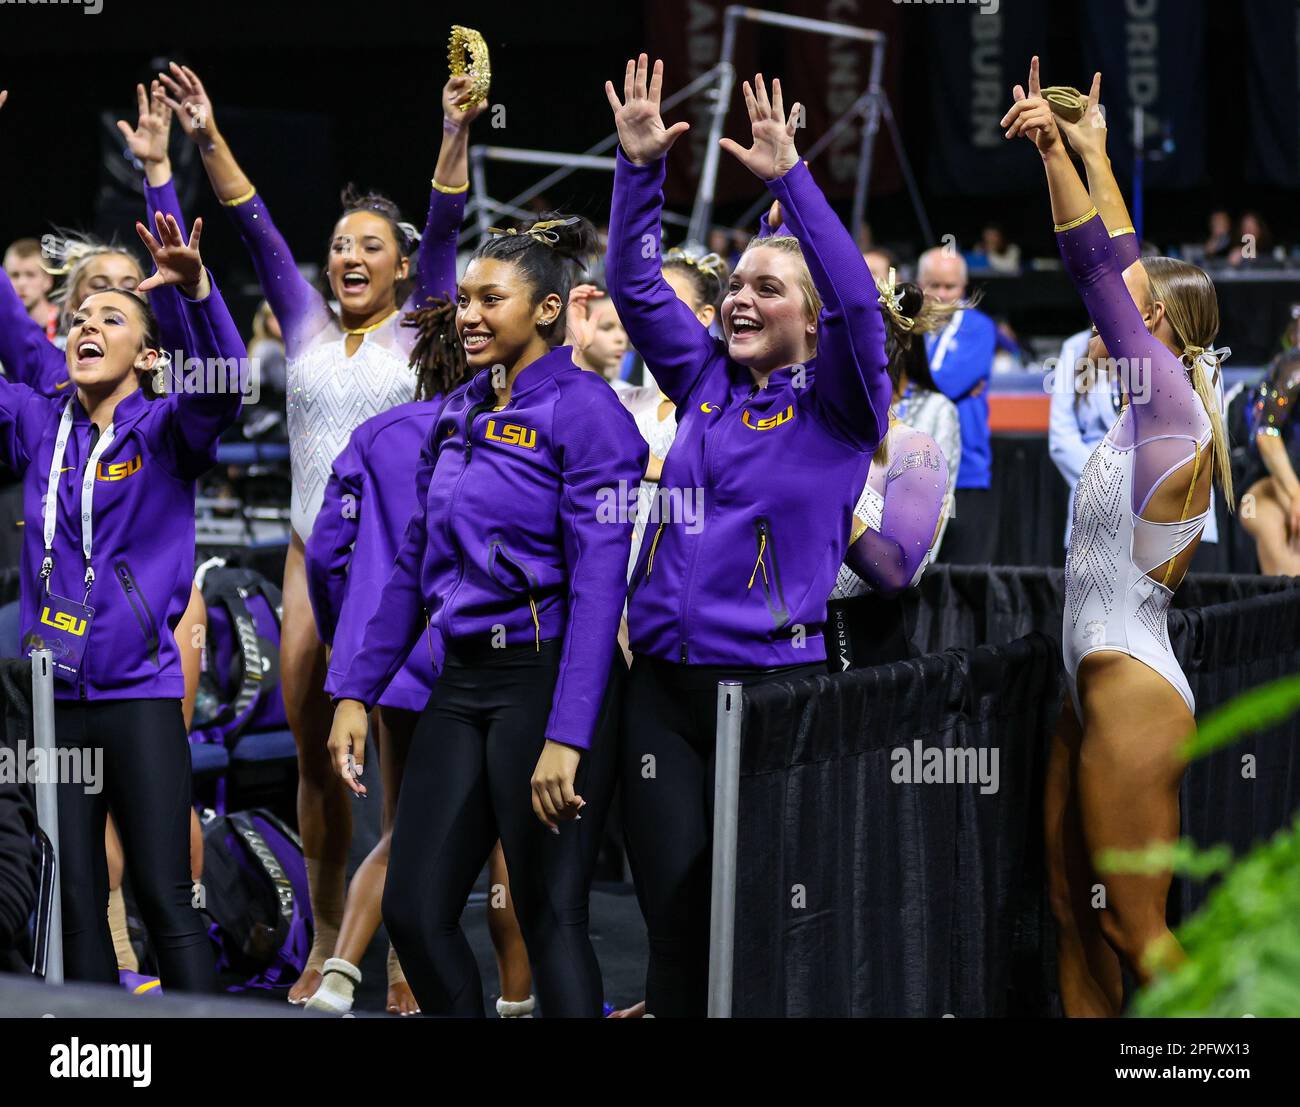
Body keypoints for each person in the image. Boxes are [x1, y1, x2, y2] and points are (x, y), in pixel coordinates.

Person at [156, 61, 482, 1002]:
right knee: (314, 765)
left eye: (369, 244)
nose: (347, 255)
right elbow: (254, 225)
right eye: (340, 242)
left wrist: (455, 130)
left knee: (399, 768)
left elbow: (450, 221)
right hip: (310, 557)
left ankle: (406, 959)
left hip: (400, 569)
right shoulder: (300, 321)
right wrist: (206, 133)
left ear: (401, 264)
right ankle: (326, 942)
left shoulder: (426, 324)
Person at [605, 57, 890, 1016]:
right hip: (662, 692)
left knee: (762, 917)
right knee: (672, 919)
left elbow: (858, 303)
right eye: (733, 281)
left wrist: (790, 183)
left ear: (809, 319)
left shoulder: (843, 406)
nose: (738, 297)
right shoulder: (708, 385)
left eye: (767, 288)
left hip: (768, 690)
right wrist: (638, 170)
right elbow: (635, 288)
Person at [327, 202, 645, 1017]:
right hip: (459, 681)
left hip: (545, 681)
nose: (467, 314)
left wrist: (567, 737)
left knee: (549, 915)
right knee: (414, 911)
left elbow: (600, 586)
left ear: (547, 310)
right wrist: (356, 690)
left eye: (488, 299)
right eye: (464, 297)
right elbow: (409, 569)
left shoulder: (589, 412)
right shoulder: (462, 410)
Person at [1003, 62, 1233, 1016]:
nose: (1114, 306)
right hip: (1086, 687)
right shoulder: (1148, 409)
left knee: (1138, 928)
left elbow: (1100, 267)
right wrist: (1096, 150)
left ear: (1157, 326)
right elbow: (1125, 259)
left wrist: (1055, 155)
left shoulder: (1170, 407)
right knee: (1072, 908)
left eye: (1135, 303)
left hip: (1131, 689)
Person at [0, 203, 245, 991]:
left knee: (166, 899)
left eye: (111, 317)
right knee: (74, 905)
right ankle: (113, 1054)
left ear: (147, 355)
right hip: (52, 702)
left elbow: (227, 380)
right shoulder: (41, 420)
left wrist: (199, 292)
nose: (85, 326)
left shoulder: (170, 430)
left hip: (138, 695)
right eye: (76, 317)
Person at [917, 246, 997, 564]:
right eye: (932, 285)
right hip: (913, 469)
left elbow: (948, 383)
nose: (940, 295)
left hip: (965, 472)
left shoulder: (978, 327)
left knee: (963, 575)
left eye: (949, 287)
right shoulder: (907, 327)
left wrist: (914, 384)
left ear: (963, 288)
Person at [1238, 350, 1300, 574]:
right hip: (1265, 484)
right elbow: (1266, 434)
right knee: (1273, 522)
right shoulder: (1294, 368)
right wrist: (1295, 493)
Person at [2, 238, 57, 344]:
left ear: (48, 281)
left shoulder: (69, 323)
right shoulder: (3, 327)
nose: (22, 283)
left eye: (30, 275)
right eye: (14, 275)